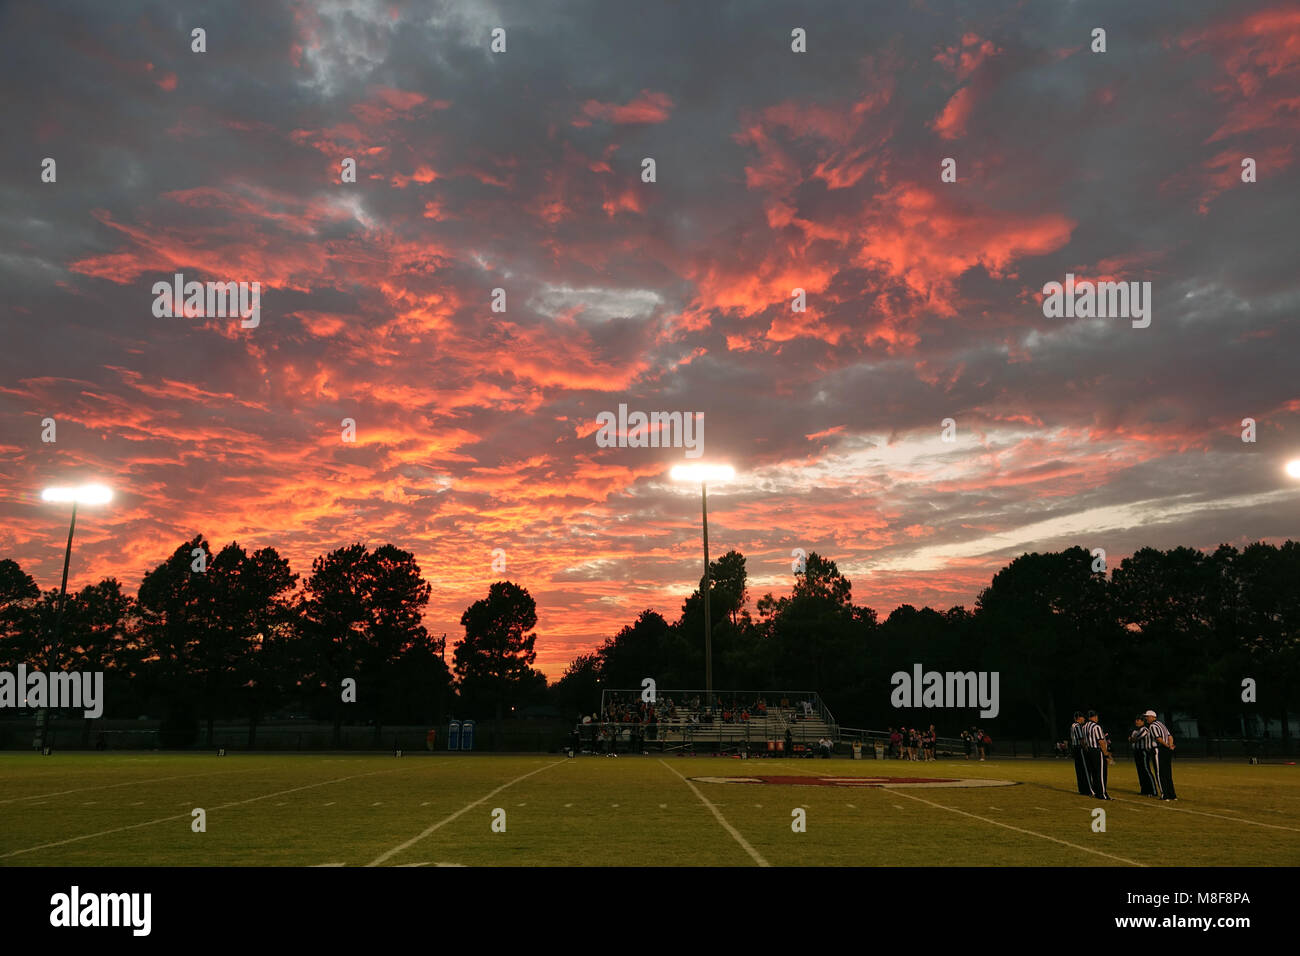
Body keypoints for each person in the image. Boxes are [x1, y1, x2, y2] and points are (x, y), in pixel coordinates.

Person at [1143, 710, 1177, 800]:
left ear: (1153, 717)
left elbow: (1158, 739)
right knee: (1167, 773)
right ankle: (1172, 794)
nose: (1146, 718)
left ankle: (1164, 794)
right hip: (1166, 751)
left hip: (1158, 750)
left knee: (1159, 773)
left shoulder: (1153, 726)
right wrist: (1170, 745)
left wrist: (1167, 745)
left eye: (1147, 716)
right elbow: (1170, 736)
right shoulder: (1162, 724)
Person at [1083, 710, 1112, 799]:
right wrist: (1106, 755)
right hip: (1097, 751)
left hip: (1090, 751)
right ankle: (1102, 794)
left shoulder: (1084, 727)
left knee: (1094, 773)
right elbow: (1101, 742)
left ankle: (1096, 792)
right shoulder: (1096, 727)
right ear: (1095, 717)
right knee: (1101, 774)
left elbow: (1084, 742)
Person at [1129, 715, 1157, 796]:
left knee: (1146, 770)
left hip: (1144, 752)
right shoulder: (1136, 730)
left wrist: (1132, 738)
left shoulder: (1144, 729)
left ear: (1143, 721)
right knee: (1140, 771)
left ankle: (1153, 791)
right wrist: (1132, 739)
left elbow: (1135, 738)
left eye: (1139, 720)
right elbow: (1132, 739)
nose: (1137, 722)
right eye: (1136, 720)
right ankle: (1144, 790)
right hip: (1137, 752)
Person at [1069, 712, 1091, 794]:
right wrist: (1086, 748)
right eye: (1083, 717)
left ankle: (1082, 789)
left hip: (1075, 748)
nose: (1084, 719)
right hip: (1079, 749)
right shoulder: (1077, 726)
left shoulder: (1073, 725)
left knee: (1079, 770)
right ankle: (1087, 789)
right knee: (1084, 769)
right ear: (1079, 718)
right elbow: (1081, 739)